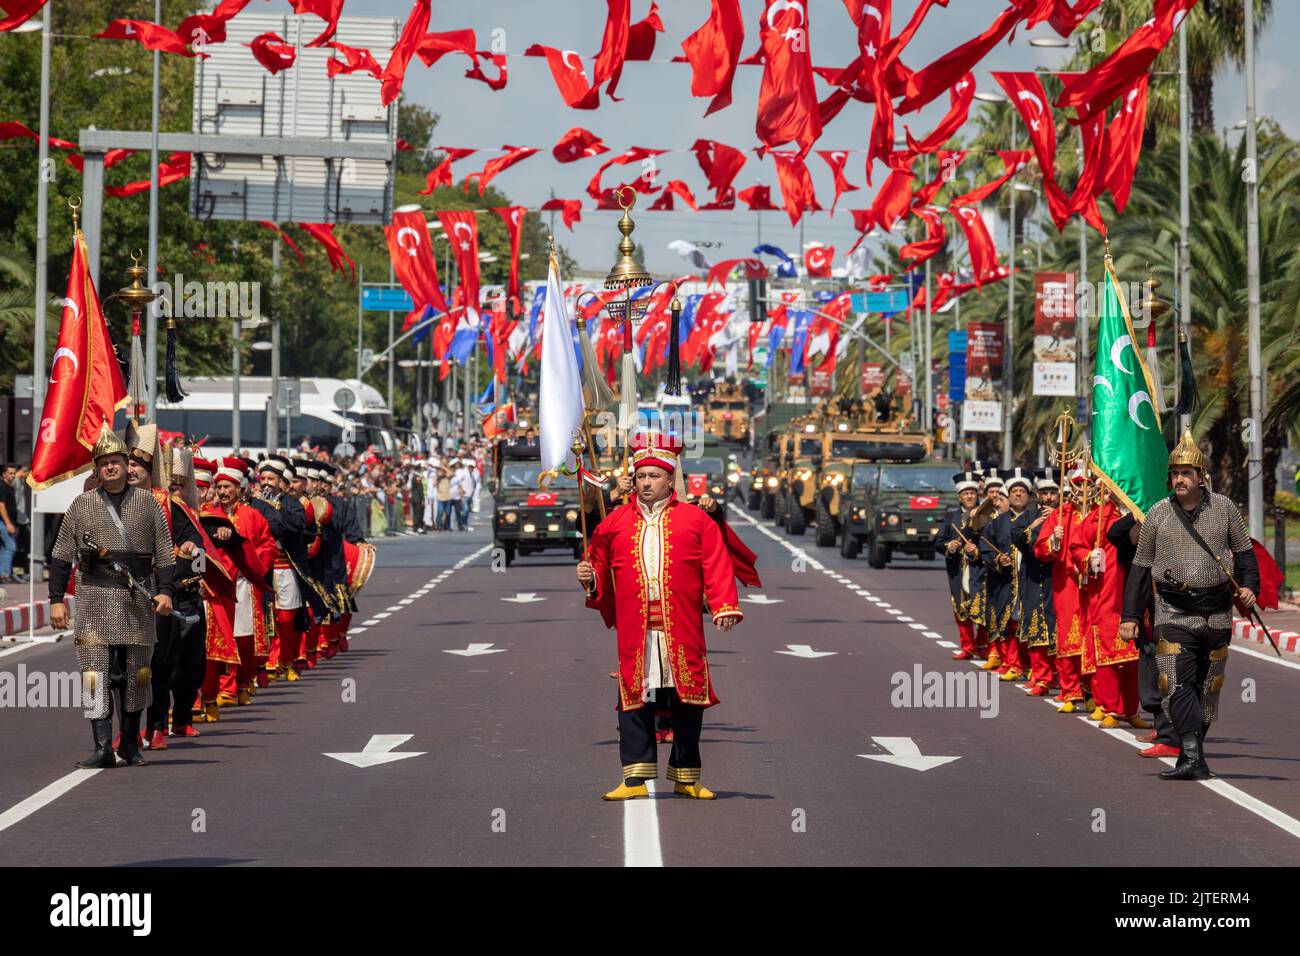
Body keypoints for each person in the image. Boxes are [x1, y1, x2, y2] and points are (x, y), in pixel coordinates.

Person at [576, 433, 743, 801]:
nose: (646, 483)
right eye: (640, 477)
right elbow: (599, 563)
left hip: (680, 624)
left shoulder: (696, 519)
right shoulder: (614, 522)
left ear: (670, 480)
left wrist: (723, 605)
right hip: (636, 627)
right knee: (633, 697)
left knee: (689, 698)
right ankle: (634, 780)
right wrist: (590, 578)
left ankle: (686, 776)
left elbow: (715, 562)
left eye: (653, 476)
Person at [1121, 431, 1259, 781]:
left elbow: (1245, 554)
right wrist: (1131, 616)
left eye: (1185, 473)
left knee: (1207, 691)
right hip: (1173, 611)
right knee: (1175, 685)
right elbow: (1140, 567)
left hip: (1216, 614)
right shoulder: (1157, 513)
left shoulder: (1225, 508)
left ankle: (1190, 756)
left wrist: (1249, 588)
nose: (1178, 479)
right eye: (1174, 473)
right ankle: (1194, 756)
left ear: (1201, 476)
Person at [49, 424, 176, 768]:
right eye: (103, 462)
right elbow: (61, 555)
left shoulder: (147, 503)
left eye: (116, 460)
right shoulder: (82, 505)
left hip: (138, 597)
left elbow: (164, 553)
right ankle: (103, 746)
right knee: (94, 673)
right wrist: (56, 598)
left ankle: (131, 744)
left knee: (138, 674)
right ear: (97, 468)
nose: (110, 466)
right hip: (94, 598)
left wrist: (165, 592)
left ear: (126, 463)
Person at [936, 471, 984, 661]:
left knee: (982, 608)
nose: (969, 496)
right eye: (965, 493)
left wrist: (977, 548)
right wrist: (950, 545)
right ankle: (968, 646)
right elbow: (938, 541)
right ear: (959, 497)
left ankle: (983, 645)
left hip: (981, 570)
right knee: (961, 609)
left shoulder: (987, 515)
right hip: (958, 570)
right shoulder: (951, 518)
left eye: (972, 492)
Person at [0, 463, 20, 583]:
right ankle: (5, 574)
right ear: (3, 474)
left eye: (14, 473)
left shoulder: (9, 486)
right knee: (11, 547)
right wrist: (8, 524)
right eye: (10, 473)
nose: (12, 476)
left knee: (4, 547)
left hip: (8, 521)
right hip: (2, 522)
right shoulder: (2, 486)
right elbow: (1, 506)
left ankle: (3, 573)